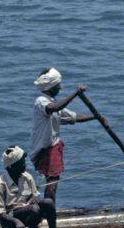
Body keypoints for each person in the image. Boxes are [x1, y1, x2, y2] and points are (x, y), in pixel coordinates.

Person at [30, 67, 101, 209]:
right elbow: (54, 108)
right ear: (51, 87)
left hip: (52, 149)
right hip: (46, 150)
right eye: (58, 85)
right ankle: (49, 212)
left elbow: (74, 117)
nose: (60, 87)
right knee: (51, 185)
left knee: (52, 184)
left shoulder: (52, 102)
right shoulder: (42, 101)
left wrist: (96, 117)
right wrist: (76, 93)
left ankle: (48, 210)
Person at [0, 145, 60, 228]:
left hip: (29, 212)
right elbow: (0, 214)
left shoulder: (27, 177)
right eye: (21, 163)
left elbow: (34, 196)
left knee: (48, 202)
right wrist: (16, 221)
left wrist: (32, 200)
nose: (24, 165)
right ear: (11, 167)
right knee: (34, 209)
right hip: (10, 217)